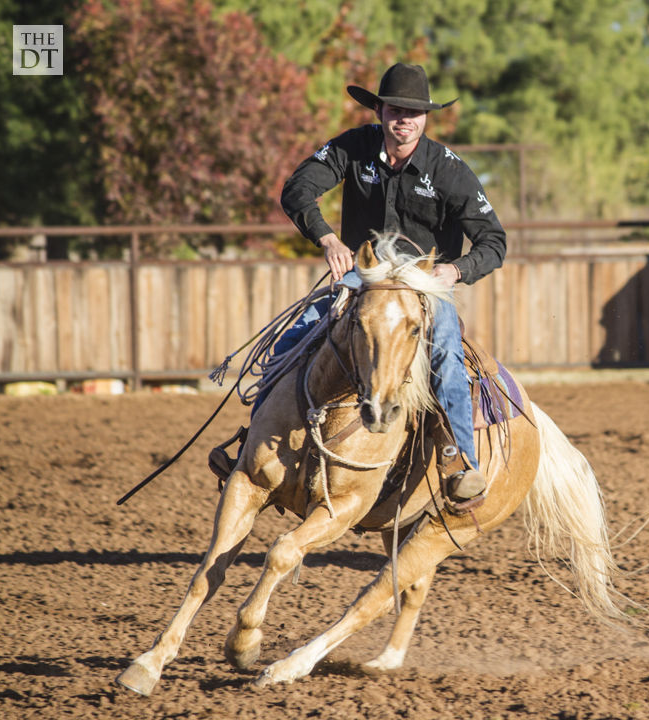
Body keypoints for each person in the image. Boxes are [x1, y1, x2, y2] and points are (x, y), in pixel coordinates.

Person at [211, 62, 506, 505]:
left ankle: (458, 459)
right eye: (394, 108)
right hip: (362, 277)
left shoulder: (448, 169)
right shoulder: (354, 147)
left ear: (425, 117)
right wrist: (328, 238)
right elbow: (297, 188)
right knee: (291, 338)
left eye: (413, 111)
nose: (403, 118)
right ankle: (253, 444)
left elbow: (494, 240)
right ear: (380, 111)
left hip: (421, 285)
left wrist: (455, 271)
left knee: (445, 352)